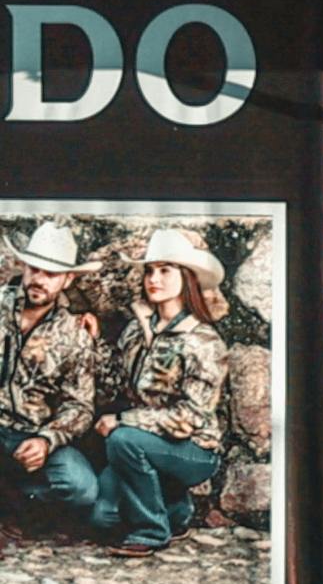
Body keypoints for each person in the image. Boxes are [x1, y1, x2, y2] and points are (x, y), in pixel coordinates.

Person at [90, 227, 235, 553]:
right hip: (150, 443)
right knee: (104, 518)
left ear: (186, 278)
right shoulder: (136, 329)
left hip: (194, 449)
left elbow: (191, 417)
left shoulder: (203, 341)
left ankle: (151, 532)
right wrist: (97, 340)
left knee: (122, 438)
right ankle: (175, 511)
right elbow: (114, 385)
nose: (154, 279)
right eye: (150, 271)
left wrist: (125, 421)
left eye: (165, 271)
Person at [2, 221, 106, 536]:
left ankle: (12, 504)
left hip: (35, 434)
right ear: (23, 265)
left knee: (81, 489)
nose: (39, 280)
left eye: (51, 274)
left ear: (68, 278)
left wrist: (47, 441)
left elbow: (80, 406)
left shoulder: (73, 333)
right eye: (35, 269)